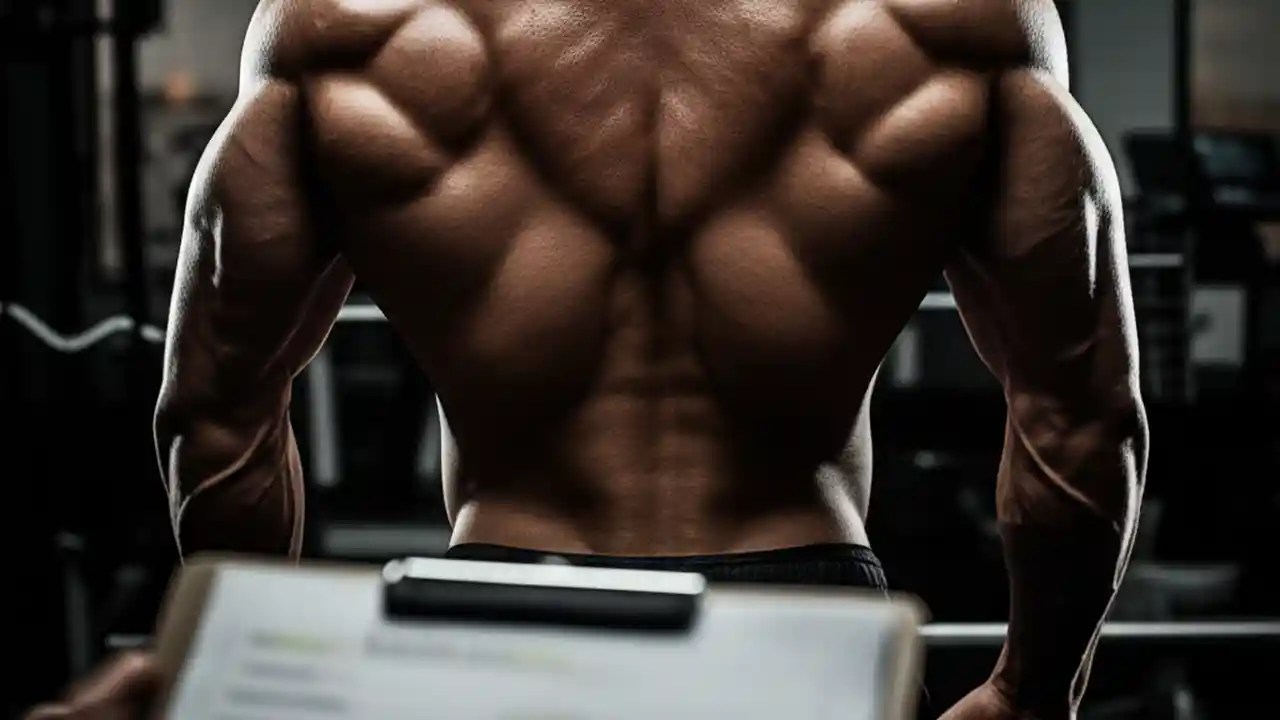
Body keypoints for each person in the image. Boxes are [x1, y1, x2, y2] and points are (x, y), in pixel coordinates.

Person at [32, 0, 1148, 717]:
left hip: (497, 622)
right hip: (801, 623)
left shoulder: (347, 24)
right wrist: (1029, 692)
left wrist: (257, 677)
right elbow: (1079, 421)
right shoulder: (952, 22)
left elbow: (213, 415)